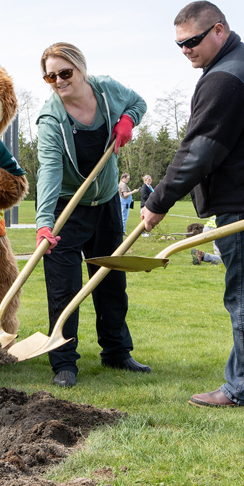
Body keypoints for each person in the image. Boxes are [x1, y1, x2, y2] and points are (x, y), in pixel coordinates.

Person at [142, 1, 244, 408]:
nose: (186, 51)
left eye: (193, 41)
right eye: (179, 45)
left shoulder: (225, 79)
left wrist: (158, 201)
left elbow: (199, 150)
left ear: (219, 30)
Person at [34, 42, 149, 387]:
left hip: (107, 204)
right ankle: (64, 363)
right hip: (67, 209)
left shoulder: (107, 89)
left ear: (81, 69)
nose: (58, 80)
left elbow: (138, 103)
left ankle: (116, 352)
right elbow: (50, 170)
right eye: (50, 76)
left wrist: (128, 120)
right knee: (64, 290)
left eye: (65, 72)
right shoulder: (51, 118)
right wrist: (44, 223)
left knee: (111, 281)